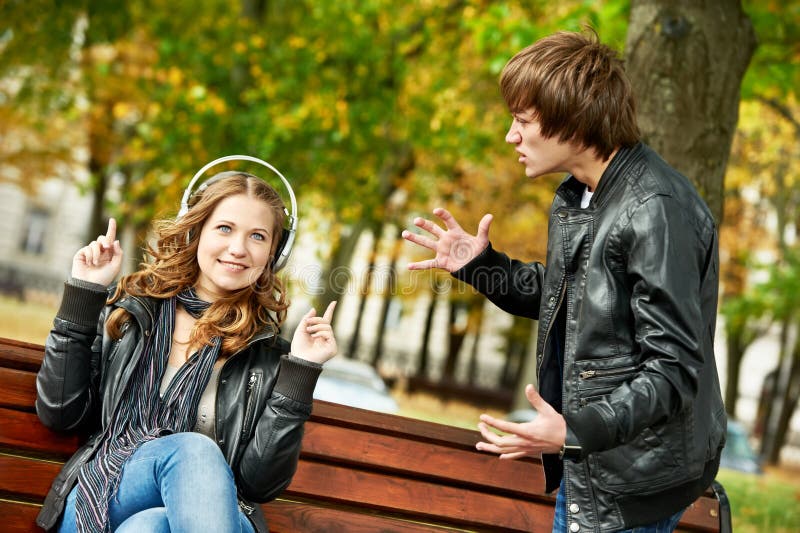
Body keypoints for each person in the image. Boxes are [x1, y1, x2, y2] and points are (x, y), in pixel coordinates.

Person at [402, 29, 726, 533]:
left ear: (572, 122)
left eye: (522, 121)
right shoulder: (580, 195)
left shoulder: (653, 211)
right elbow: (573, 302)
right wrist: (481, 266)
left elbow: (673, 370)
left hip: (633, 475)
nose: (511, 136)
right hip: (594, 459)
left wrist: (575, 430)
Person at [35, 171, 338, 533]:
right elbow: (60, 413)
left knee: (148, 528)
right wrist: (84, 293)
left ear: (275, 253)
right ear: (195, 231)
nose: (238, 248)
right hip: (103, 496)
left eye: (257, 236)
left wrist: (300, 371)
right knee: (192, 451)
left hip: (212, 515)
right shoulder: (131, 314)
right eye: (224, 228)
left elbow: (259, 484)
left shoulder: (268, 355)